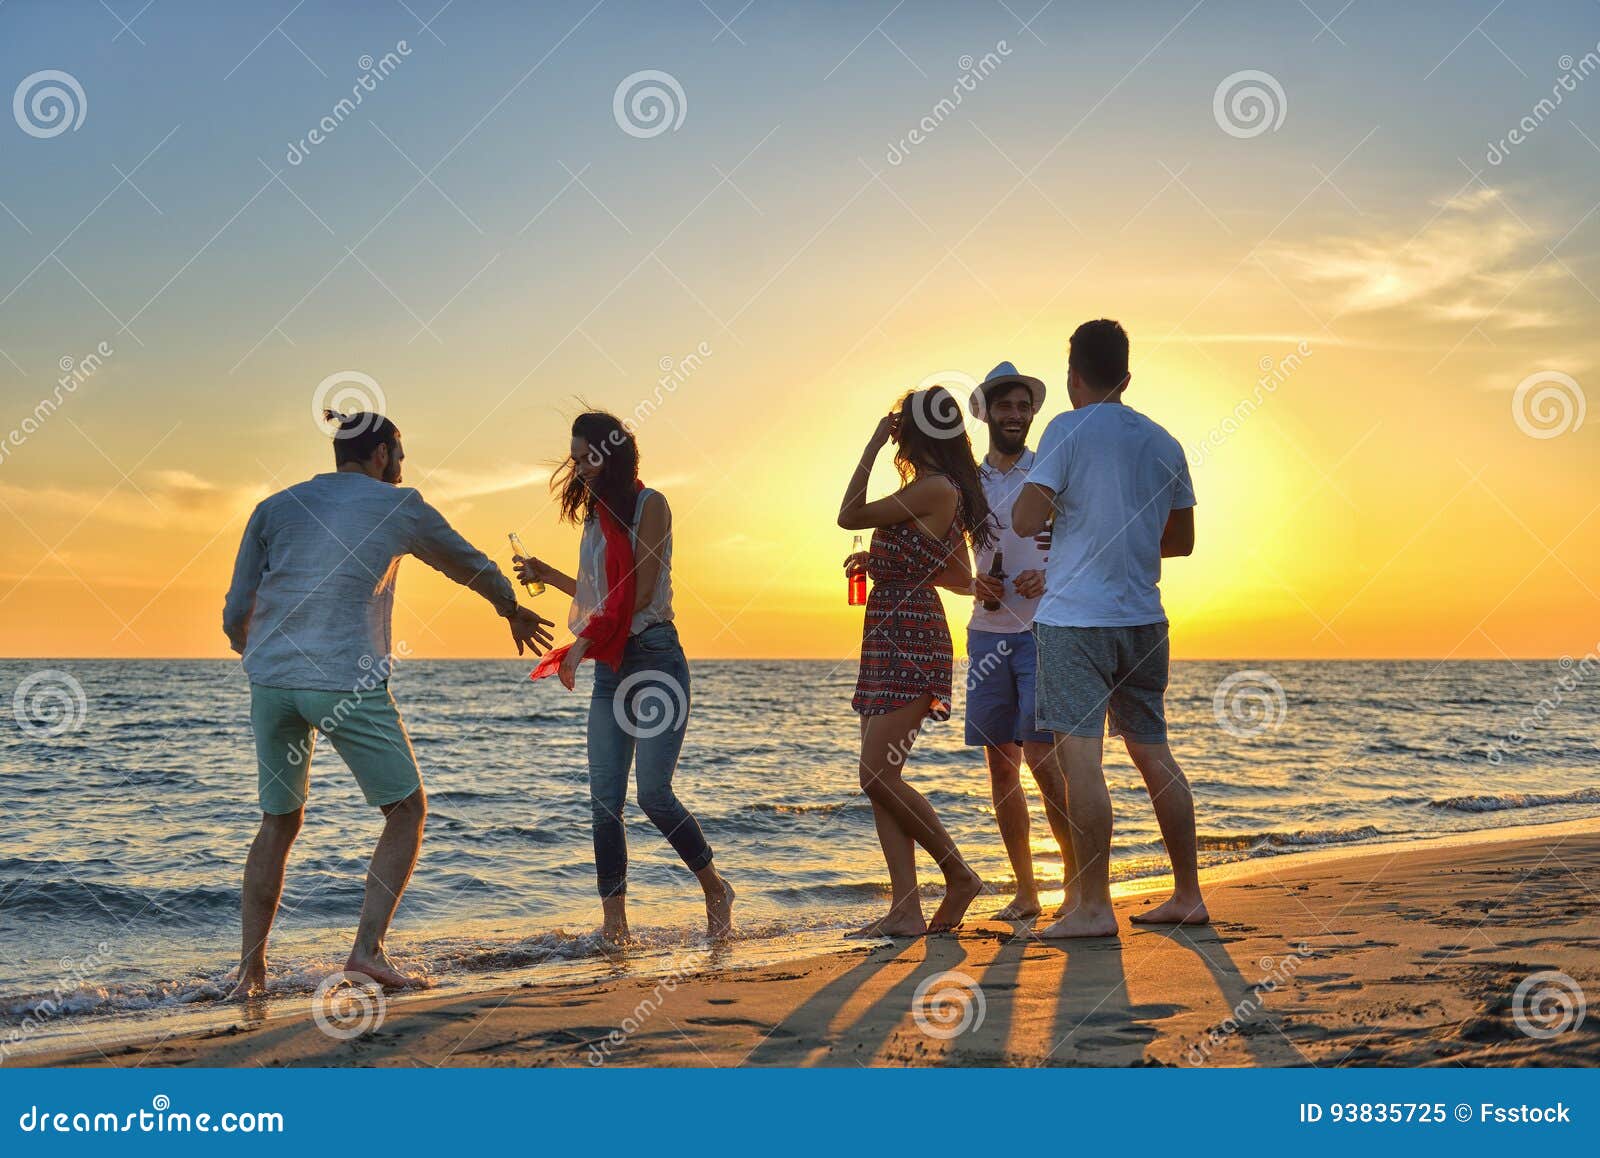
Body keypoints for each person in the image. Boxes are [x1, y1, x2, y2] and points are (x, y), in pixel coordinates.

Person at [222, 411, 553, 996]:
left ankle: (249, 974)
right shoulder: (399, 506)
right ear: (380, 453)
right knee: (406, 809)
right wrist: (511, 606)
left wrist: (259, 652)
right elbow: (466, 562)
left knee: (278, 821)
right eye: (399, 453)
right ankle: (366, 953)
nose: (402, 466)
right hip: (345, 680)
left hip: (270, 682)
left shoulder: (275, 506)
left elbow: (235, 610)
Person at [1012, 320, 1208, 938]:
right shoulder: (1163, 440)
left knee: (1082, 763)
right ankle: (1188, 894)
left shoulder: (1067, 429)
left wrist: (1064, 511)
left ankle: (1093, 907)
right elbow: (1182, 542)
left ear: (1073, 376)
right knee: (1154, 753)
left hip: (1075, 621)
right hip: (1144, 620)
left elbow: (1022, 520)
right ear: (1126, 374)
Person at [515, 411, 733, 943]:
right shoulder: (597, 515)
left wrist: (582, 645)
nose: (580, 467)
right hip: (613, 663)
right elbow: (597, 598)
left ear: (611, 453)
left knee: (654, 796)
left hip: (655, 658)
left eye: (587, 456)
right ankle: (615, 927)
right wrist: (547, 575)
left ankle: (715, 888)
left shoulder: (649, 504)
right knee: (603, 799)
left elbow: (637, 591)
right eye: (575, 457)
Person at [838, 385, 994, 936]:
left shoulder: (932, 488)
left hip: (910, 636)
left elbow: (848, 513)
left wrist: (872, 444)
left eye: (900, 422)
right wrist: (887, 563)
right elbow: (955, 576)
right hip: (889, 630)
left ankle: (959, 875)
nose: (895, 428)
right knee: (883, 778)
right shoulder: (935, 490)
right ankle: (905, 907)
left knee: (875, 774)